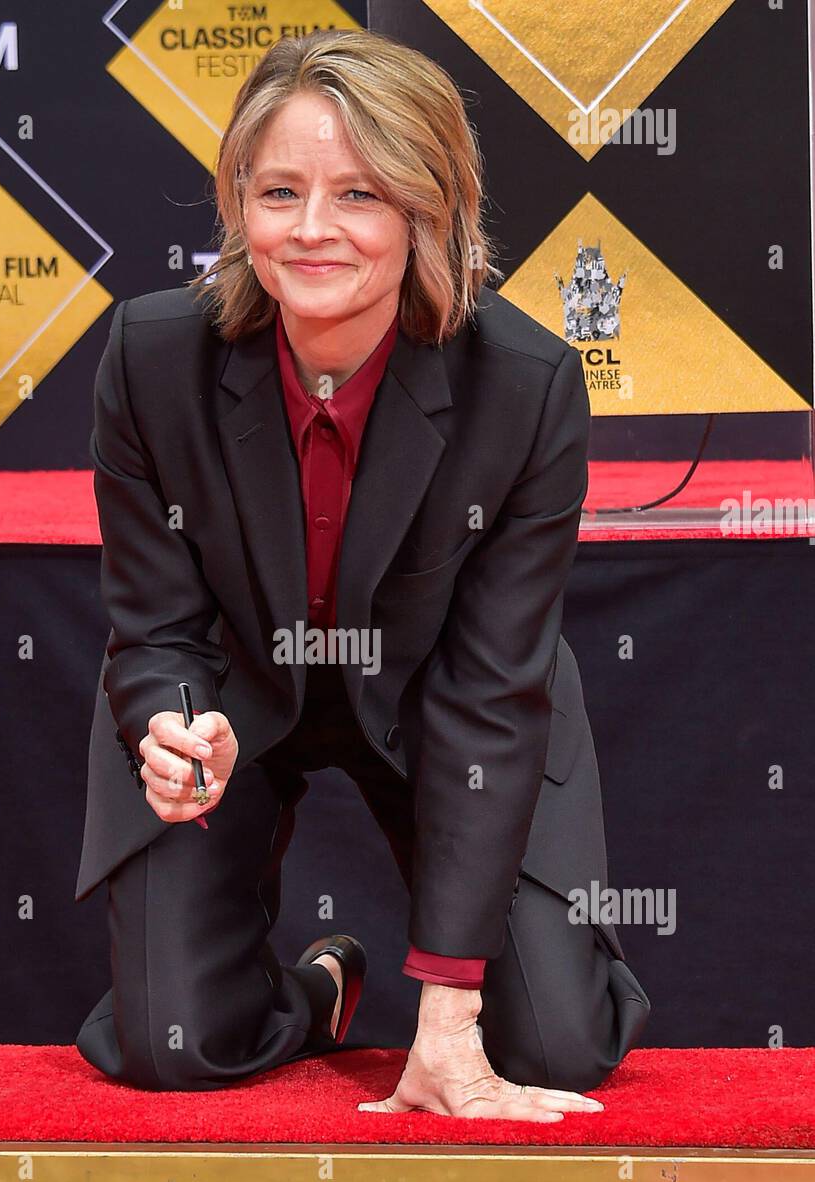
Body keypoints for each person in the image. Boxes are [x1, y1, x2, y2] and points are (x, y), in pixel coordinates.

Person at [74, 28, 650, 1120]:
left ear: (431, 211)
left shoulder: (524, 387)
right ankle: (318, 991)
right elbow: (152, 629)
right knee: (171, 1045)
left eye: (361, 195)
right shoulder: (151, 356)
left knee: (556, 1048)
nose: (312, 230)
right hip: (240, 685)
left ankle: (512, 986)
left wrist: (446, 1023)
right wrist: (173, 725)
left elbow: (492, 692)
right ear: (239, 202)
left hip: (448, 700)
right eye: (280, 189)